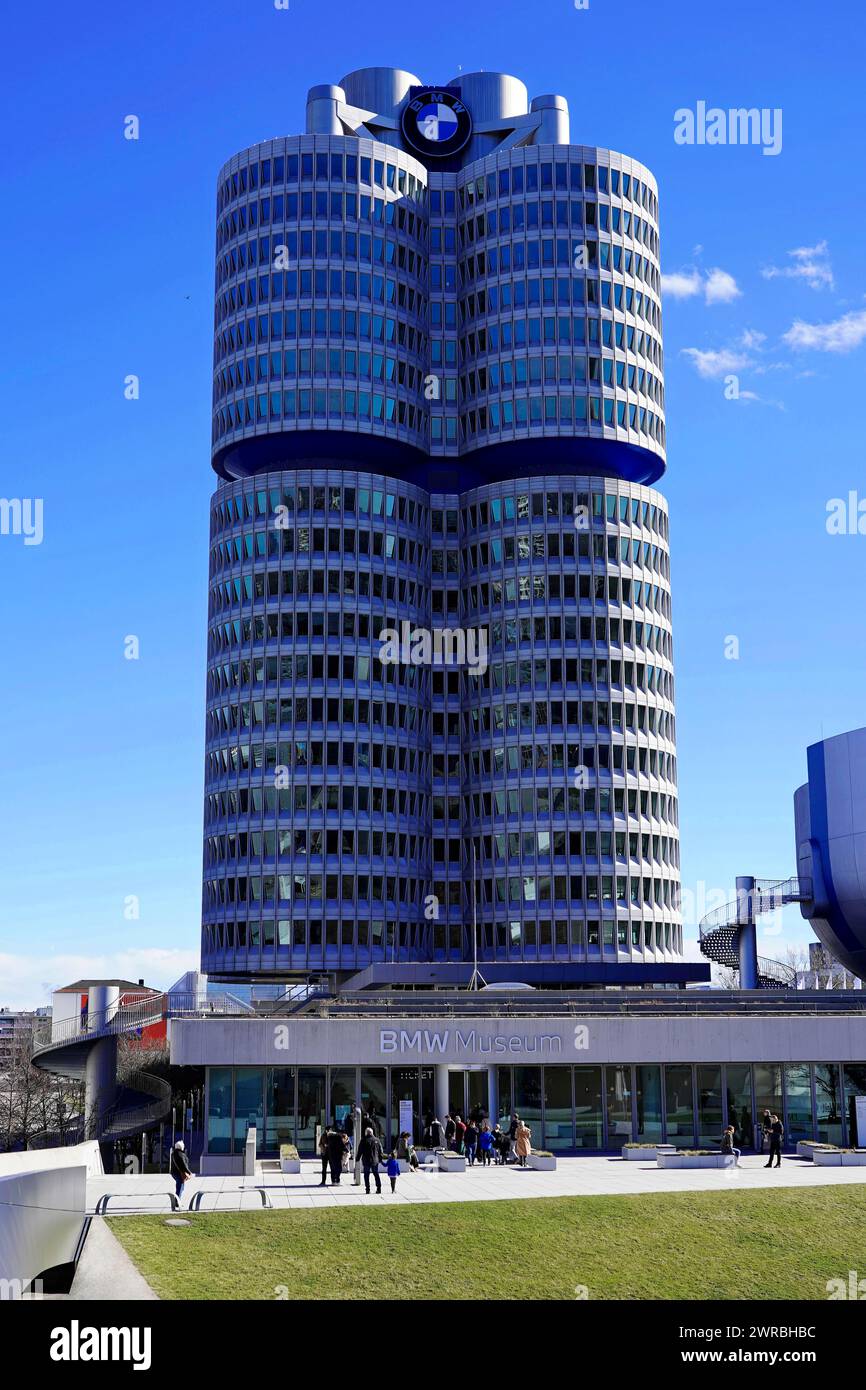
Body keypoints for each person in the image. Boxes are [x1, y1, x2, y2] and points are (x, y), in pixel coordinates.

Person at [358, 1126, 384, 1194]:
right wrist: (380, 1159)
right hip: (375, 1160)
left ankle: (367, 1189)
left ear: (366, 1133)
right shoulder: (377, 1140)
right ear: (372, 1133)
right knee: (376, 1174)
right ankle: (379, 1188)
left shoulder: (363, 1140)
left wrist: (357, 1158)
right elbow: (381, 1151)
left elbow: (360, 1150)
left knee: (366, 1175)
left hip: (366, 1160)